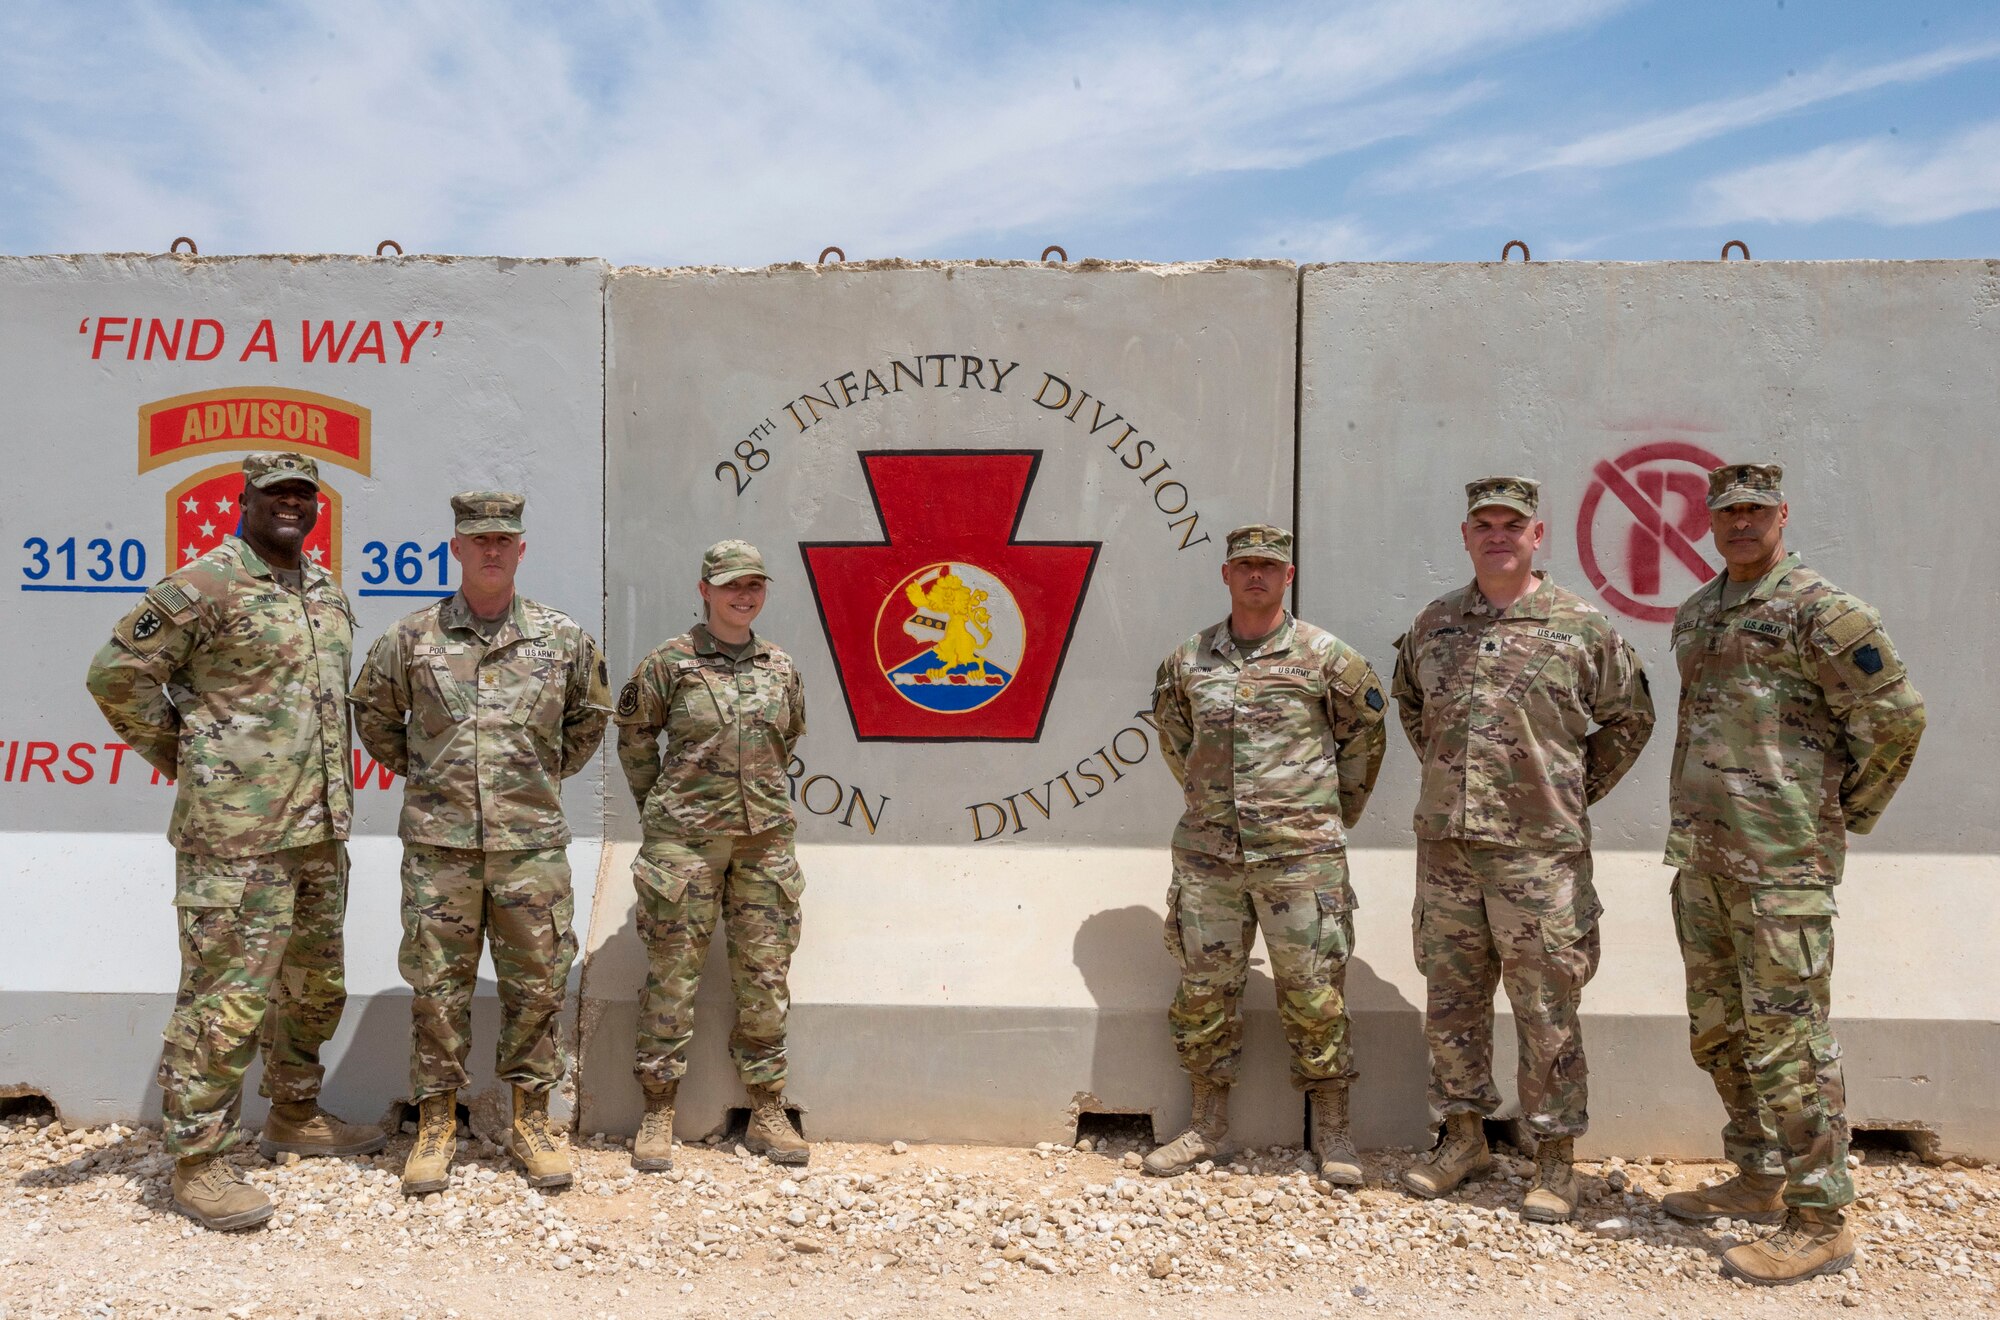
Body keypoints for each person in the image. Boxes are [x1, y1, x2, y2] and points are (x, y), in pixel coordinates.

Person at [85, 451, 382, 1231]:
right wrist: (192, 758)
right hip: (236, 840)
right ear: (243, 500)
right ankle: (197, 1161)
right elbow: (115, 674)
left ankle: (295, 1113)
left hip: (319, 830)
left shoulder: (322, 588)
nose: (290, 505)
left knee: (314, 988)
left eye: (302, 495)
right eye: (275, 493)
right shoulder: (207, 583)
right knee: (224, 1002)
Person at [1660, 462, 1925, 1285]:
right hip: (1704, 859)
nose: (1740, 523)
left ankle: (1821, 1218)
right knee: (1721, 1033)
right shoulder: (1700, 610)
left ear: (1781, 513)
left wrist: (1839, 814)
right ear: (1709, 520)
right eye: (1726, 511)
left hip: (1782, 868)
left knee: (1790, 1046)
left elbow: (1898, 719)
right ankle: (1759, 1177)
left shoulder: (1823, 610)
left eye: (1754, 510)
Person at [1390, 477, 1654, 1221]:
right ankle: (1464, 1137)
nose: (1498, 534)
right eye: (1485, 523)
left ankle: (1555, 1159)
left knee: (1546, 1010)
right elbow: (1413, 708)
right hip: (1447, 853)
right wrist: (1460, 786)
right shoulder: (1435, 624)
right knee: (1452, 1004)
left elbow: (1629, 721)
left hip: (1540, 860)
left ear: (1537, 536)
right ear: (1466, 534)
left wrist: (1560, 794)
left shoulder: (1581, 628)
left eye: (1514, 524)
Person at [349, 492, 611, 1194]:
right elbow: (372, 714)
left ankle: (531, 1120)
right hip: (441, 849)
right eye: (478, 540)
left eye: (504, 539)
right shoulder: (412, 638)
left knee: (537, 987)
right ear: (456, 549)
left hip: (531, 848)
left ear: (520, 549)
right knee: (437, 991)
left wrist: (532, 778)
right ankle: (437, 1122)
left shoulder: (563, 638)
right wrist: (434, 775)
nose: (491, 550)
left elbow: (587, 722)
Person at [1145, 524, 1388, 1184]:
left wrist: (1321, 816)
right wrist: (1219, 808)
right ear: (1225, 574)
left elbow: (1365, 741)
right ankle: (1207, 1125)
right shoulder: (1187, 662)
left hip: (1300, 860)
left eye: (1270, 566)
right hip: (1209, 860)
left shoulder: (1326, 659)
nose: (1258, 575)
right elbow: (1178, 744)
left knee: (1315, 994)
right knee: (1204, 991)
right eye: (1245, 565)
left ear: (1289, 576)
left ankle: (1334, 1132)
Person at [614, 540, 810, 1171]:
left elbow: (791, 735)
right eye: (730, 586)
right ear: (705, 590)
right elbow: (636, 738)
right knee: (673, 978)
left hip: (765, 843)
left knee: (764, 978)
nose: (743, 596)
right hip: (685, 846)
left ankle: (767, 1109)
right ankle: (657, 1110)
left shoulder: (780, 666)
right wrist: (662, 812)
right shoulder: (668, 664)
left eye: (753, 585)